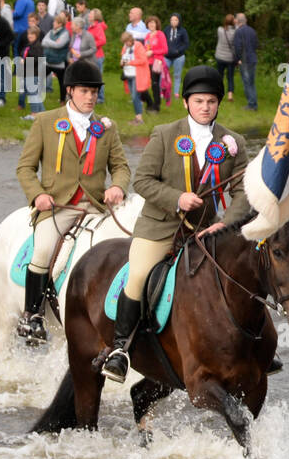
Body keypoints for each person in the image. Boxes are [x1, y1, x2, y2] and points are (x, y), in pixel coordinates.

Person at [96, 65, 253, 383]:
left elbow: (243, 193)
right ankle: (121, 350)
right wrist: (177, 198)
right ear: (186, 103)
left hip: (208, 230)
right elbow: (142, 180)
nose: (205, 107)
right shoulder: (165, 134)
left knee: (246, 272)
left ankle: (255, 345)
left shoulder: (232, 142)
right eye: (199, 101)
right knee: (138, 275)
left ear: (218, 104)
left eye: (211, 101)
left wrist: (226, 224)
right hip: (161, 227)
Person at [14, 59, 130, 342]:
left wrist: (117, 186)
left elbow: (122, 167)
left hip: (95, 207)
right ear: (70, 91)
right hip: (58, 207)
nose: (90, 97)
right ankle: (34, 316)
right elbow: (25, 168)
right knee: (42, 251)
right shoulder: (45, 122)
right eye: (84, 91)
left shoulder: (106, 127)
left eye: (94, 92)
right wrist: (38, 194)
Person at [120, 29, 150, 122]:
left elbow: (143, 60)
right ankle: (137, 116)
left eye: (127, 41)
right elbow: (123, 57)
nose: (126, 43)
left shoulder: (138, 45)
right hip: (128, 74)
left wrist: (130, 63)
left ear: (131, 39)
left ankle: (139, 118)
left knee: (135, 96)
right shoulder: (125, 46)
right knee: (133, 96)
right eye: (125, 42)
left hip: (137, 75)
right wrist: (122, 62)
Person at [42, 13, 71, 99]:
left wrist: (49, 42)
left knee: (61, 82)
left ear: (60, 24)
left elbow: (59, 45)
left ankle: (62, 101)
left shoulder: (65, 33)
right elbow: (43, 42)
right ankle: (35, 96)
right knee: (39, 77)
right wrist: (53, 42)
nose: (53, 23)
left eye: (55, 22)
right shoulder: (51, 31)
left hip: (59, 62)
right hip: (48, 61)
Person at [233, 12, 258, 111]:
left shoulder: (239, 32)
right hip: (253, 58)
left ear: (237, 21)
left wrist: (237, 59)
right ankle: (253, 102)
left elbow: (237, 47)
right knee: (251, 83)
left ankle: (252, 104)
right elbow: (256, 44)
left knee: (247, 83)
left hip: (245, 60)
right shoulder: (252, 30)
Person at [144, 14, 168, 112]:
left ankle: (156, 106)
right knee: (147, 84)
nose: (151, 24)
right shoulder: (147, 36)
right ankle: (150, 103)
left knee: (155, 84)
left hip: (157, 63)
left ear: (157, 24)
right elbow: (146, 48)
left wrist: (153, 52)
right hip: (147, 62)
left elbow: (165, 49)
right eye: (149, 23)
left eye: (153, 23)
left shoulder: (160, 34)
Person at [20, 24, 46, 116]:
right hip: (28, 72)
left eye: (32, 34)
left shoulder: (37, 46)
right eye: (29, 34)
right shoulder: (29, 45)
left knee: (32, 94)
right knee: (35, 94)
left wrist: (25, 61)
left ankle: (34, 114)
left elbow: (37, 59)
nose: (29, 36)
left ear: (36, 35)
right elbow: (24, 54)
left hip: (34, 73)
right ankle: (42, 113)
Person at [164, 13, 189, 99]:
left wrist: (179, 50)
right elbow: (162, 41)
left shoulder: (183, 31)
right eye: (172, 20)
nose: (173, 22)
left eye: (175, 20)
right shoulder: (166, 30)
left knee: (177, 75)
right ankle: (164, 91)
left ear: (179, 21)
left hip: (178, 57)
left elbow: (186, 44)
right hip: (167, 56)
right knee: (163, 73)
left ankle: (176, 93)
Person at [214, 15, 237, 100]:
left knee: (220, 76)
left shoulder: (220, 30)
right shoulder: (235, 32)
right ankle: (230, 95)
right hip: (230, 58)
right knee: (230, 77)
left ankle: (218, 93)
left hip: (220, 56)